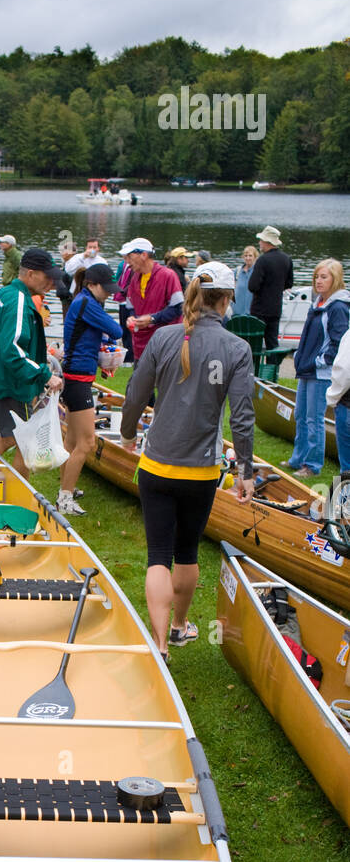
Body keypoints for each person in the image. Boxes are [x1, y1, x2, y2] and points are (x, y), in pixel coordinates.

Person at [119, 263, 255, 663]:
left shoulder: (163, 336)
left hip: (157, 465)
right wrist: (245, 471)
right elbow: (243, 416)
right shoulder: (237, 348)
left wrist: (127, 434)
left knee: (157, 554)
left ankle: (159, 644)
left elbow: (135, 393)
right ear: (227, 300)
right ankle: (179, 628)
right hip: (201, 471)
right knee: (187, 551)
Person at [0, 247, 63, 480]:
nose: (52, 283)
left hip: (2, 377)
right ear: (30, 274)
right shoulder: (19, 300)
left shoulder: (5, 293)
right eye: (47, 276)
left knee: (15, 438)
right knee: (19, 438)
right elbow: (12, 348)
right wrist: (44, 374)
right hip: (11, 381)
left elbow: (4, 339)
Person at [57, 263, 125, 516]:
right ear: (91, 284)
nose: (108, 293)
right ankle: (64, 500)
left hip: (75, 378)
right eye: (105, 289)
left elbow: (100, 334)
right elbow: (117, 330)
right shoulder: (87, 304)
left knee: (72, 440)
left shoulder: (84, 302)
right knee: (86, 443)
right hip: (78, 380)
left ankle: (66, 490)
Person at [280, 259, 349, 478]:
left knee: (314, 418)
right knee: (300, 414)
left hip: (321, 373)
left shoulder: (338, 307)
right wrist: (301, 356)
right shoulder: (317, 302)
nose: (318, 281)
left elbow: (339, 342)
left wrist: (319, 361)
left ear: (335, 279)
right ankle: (298, 458)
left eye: (324, 277)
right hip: (306, 369)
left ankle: (312, 464)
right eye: (317, 277)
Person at [120, 237, 184, 363]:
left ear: (143, 255)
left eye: (130, 257)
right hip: (140, 346)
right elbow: (131, 307)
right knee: (137, 382)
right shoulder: (134, 279)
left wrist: (152, 319)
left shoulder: (168, 276)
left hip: (165, 345)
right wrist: (132, 318)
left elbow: (178, 308)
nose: (127, 262)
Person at [247, 225, 294, 350]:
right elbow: (289, 283)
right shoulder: (286, 259)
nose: (259, 243)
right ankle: (273, 368)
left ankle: (254, 368)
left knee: (254, 343)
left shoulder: (263, 260)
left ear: (267, 242)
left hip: (259, 309)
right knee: (272, 342)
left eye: (261, 240)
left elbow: (252, 286)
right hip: (275, 308)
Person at [326, 325, 350, 472]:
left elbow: (344, 370)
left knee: (347, 470)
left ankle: (344, 495)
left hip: (347, 405)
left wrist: (332, 396)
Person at [233, 246, 258, 317]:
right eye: (246, 256)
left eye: (250, 256)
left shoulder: (257, 271)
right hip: (236, 312)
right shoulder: (237, 271)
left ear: (255, 257)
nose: (248, 258)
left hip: (252, 312)